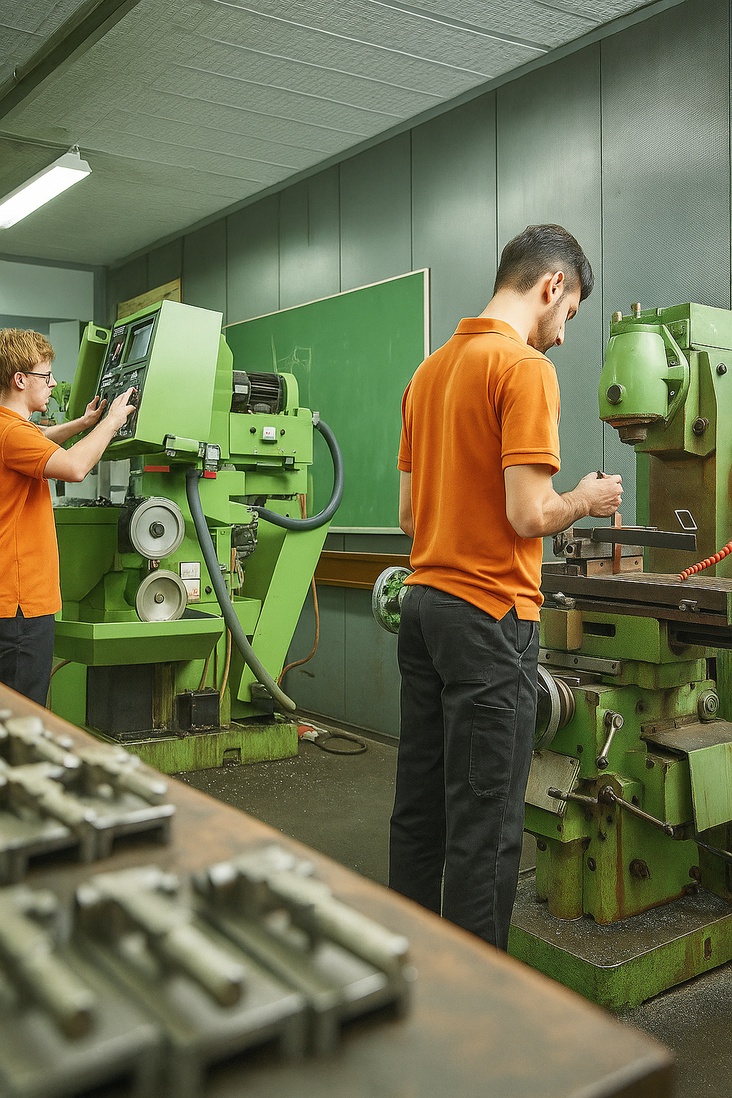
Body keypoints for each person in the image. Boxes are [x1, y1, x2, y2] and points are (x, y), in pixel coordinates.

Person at [389, 224, 623, 950]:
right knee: (486, 822)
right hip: (490, 617)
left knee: (421, 807)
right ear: (552, 285)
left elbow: (407, 514)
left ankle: (418, 964)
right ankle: (478, 1004)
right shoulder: (523, 370)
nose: (561, 336)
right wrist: (584, 497)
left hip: (423, 608)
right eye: (571, 314)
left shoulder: (428, 373)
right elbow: (531, 513)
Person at [0, 327, 136, 707]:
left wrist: (82, 424)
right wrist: (112, 421)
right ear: (20, 379)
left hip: (9, 602)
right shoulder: (13, 434)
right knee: (22, 723)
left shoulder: (9, 429)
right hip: (20, 606)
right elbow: (75, 467)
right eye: (46, 376)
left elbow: (36, 441)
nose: (53, 383)